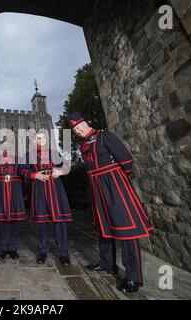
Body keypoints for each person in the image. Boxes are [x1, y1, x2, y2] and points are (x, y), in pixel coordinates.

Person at [66, 112, 154, 293]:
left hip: (114, 186)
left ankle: (133, 278)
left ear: (85, 122)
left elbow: (126, 160)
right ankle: (107, 264)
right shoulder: (83, 145)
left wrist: (118, 182)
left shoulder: (104, 136)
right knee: (103, 226)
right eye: (74, 129)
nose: (78, 130)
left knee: (127, 229)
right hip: (96, 187)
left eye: (80, 125)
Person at [27, 131, 72, 266]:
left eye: (44, 138)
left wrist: (60, 172)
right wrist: (35, 175)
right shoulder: (29, 155)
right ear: (34, 141)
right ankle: (42, 252)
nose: (41, 140)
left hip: (55, 188)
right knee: (42, 223)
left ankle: (63, 253)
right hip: (40, 189)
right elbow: (22, 170)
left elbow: (64, 166)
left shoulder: (54, 152)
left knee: (60, 222)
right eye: (38, 138)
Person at [0, 143, 30, 260]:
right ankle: (3, 249)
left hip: (15, 192)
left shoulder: (19, 159)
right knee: (1, 223)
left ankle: (13, 249)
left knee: (15, 223)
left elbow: (24, 173)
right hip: (0, 193)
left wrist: (27, 176)